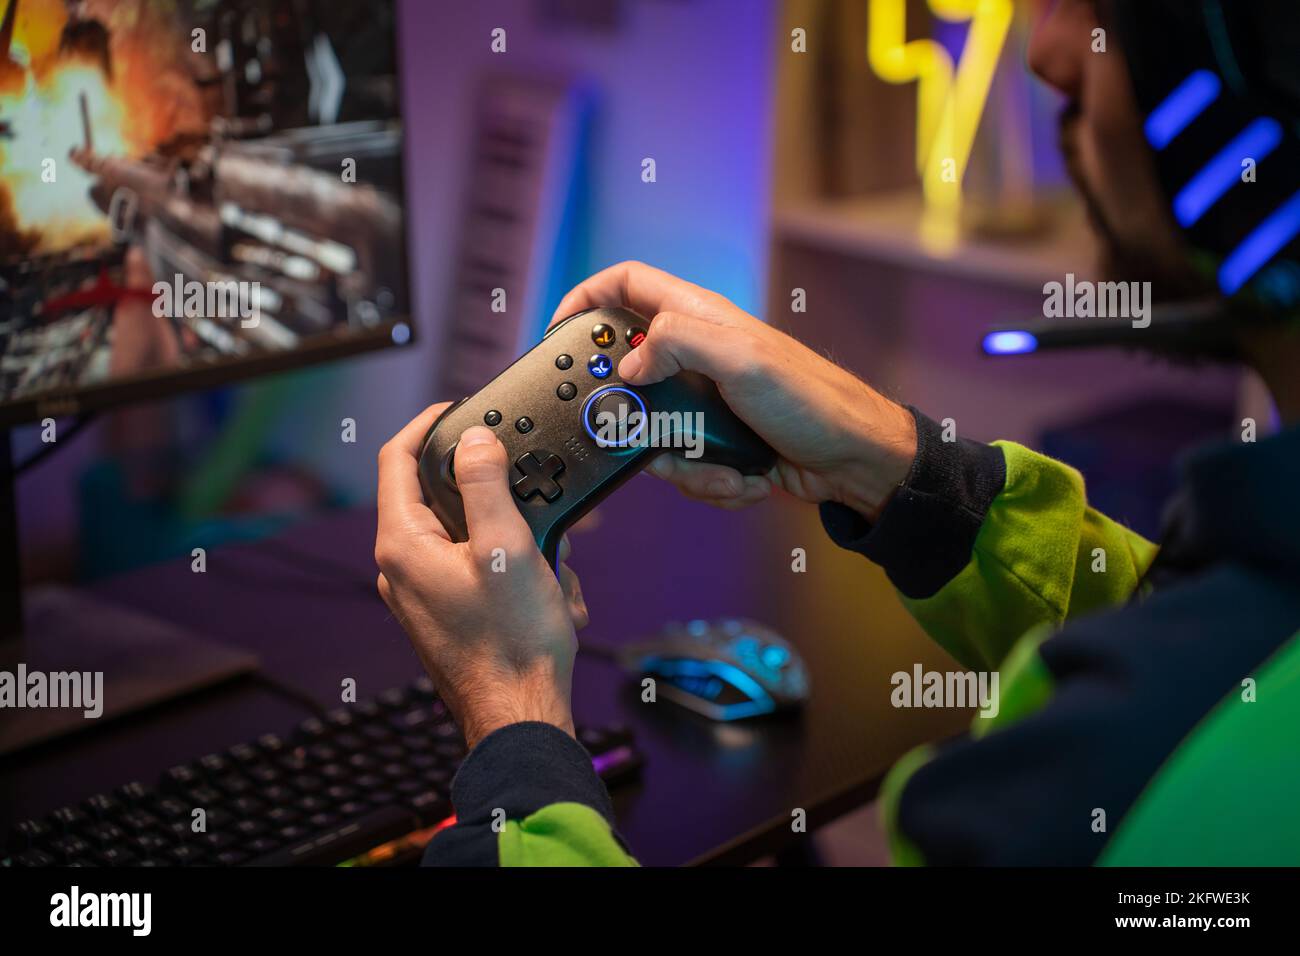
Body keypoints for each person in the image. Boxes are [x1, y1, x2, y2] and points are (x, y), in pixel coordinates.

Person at [374, 0, 1300, 866]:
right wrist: (898, 463)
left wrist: (515, 720)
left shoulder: (1079, 806)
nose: (1052, 52)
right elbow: (1176, 620)